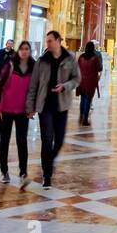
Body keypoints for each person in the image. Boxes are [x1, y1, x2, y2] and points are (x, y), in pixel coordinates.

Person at [25, 30, 80, 189]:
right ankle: (47, 174)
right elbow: (33, 84)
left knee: (60, 140)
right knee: (47, 140)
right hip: (45, 105)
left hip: (62, 106)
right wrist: (30, 107)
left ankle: (49, 161)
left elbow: (77, 78)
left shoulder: (70, 58)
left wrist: (65, 86)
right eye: (46, 41)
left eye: (50, 41)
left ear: (58, 41)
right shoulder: (41, 61)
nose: (47, 44)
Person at [0, 40, 35, 185]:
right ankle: (4, 171)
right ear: (19, 51)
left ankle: (23, 172)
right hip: (6, 110)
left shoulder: (32, 68)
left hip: (23, 111)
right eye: (22, 49)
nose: (24, 51)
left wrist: (32, 109)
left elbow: (34, 90)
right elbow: (0, 88)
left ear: (30, 52)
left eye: (27, 49)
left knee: (22, 141)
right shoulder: (10, 65)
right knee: (4, 141)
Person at [77, 40, 103, 126]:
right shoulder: (95, 58)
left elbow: (77, 67)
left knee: (83, 99)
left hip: (82, 81)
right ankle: (85, 119)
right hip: (91, 82)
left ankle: (81, 116)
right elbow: (99, 68)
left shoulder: (81, 57)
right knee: (88, 100)